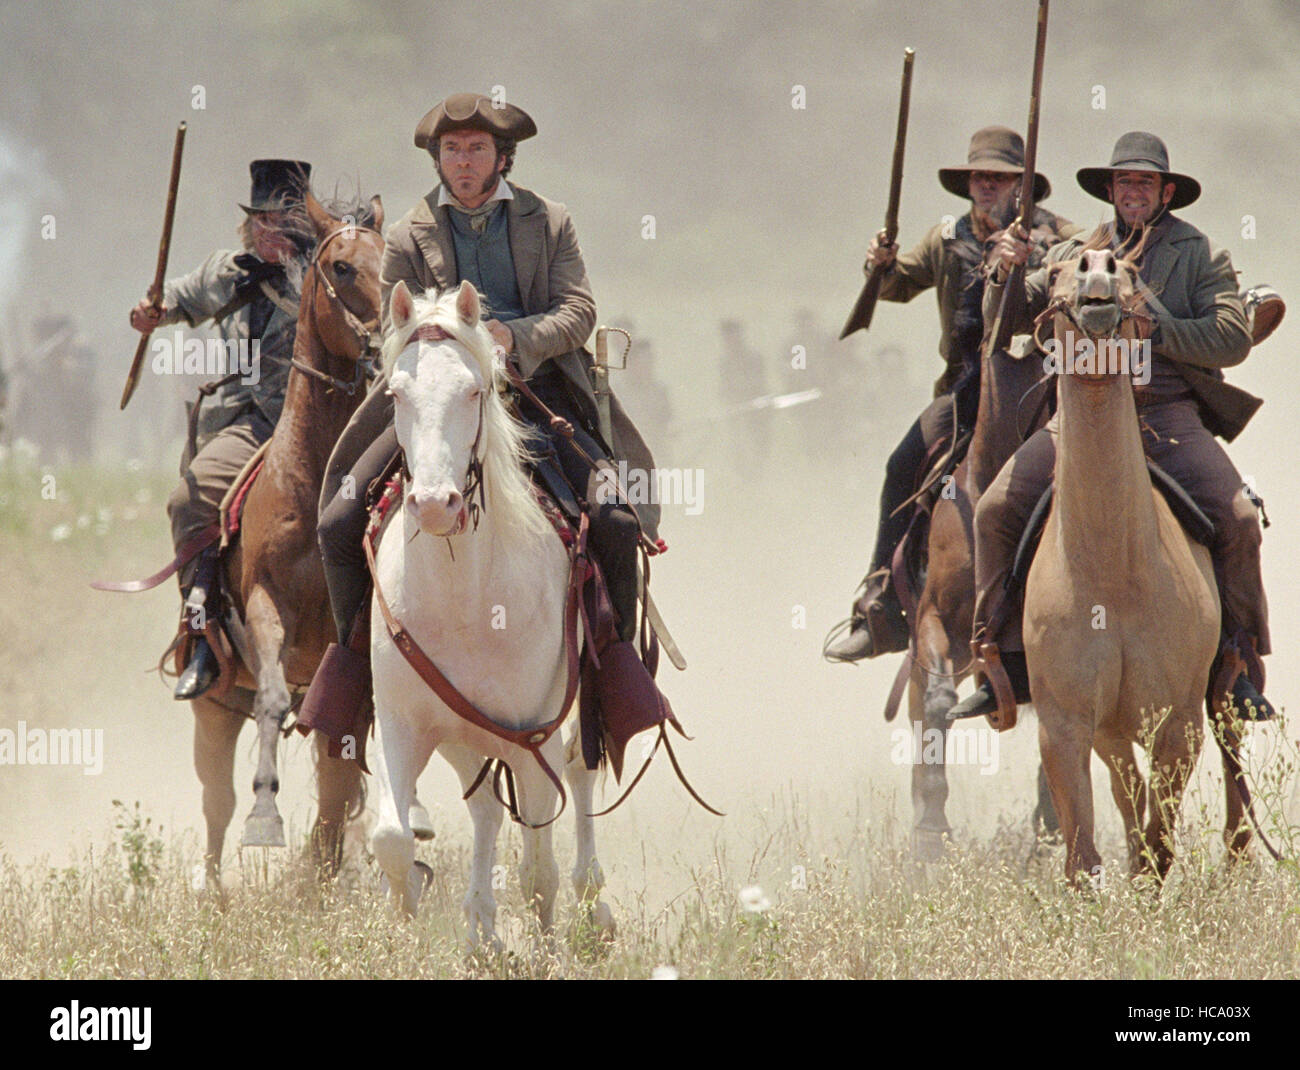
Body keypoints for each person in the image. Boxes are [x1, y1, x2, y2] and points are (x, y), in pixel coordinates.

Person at [313, 93, 657, 696]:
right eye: (452, 150)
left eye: (476, 149)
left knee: (613, 517)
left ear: (503, 157)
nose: (464, 161)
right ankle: (356, 682)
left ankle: (617, 679)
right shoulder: (406, 233)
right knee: (340, 517)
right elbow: (395, 328)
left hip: (543, 395)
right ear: (438, 159)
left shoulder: (549, 219)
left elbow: (579, 311)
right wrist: (452, 345)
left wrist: (512, 336)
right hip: (437, 400)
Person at [950, 131, 1274, 720]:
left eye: (1145, 182)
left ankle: (1235, 662)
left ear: (1166, 191)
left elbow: (1232, 338)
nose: (1133, 191)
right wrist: (1003, 274)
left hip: (1165, 416)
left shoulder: (1199, 255)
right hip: (1080, 419)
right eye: (1124, 180)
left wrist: (1155, 326)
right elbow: (1006, 326)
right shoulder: (1074, 251)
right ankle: (1004, 660)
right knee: (994, 511)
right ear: (1110, 188)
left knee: (1241, 519)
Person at [825, 127, 1080, 662]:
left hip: (1037, 388)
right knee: (902, 466)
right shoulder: (945, 235)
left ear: (1022, 185)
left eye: (998, 176)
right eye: (978, 176)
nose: (985, 185)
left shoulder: (1058, 237)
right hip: (966, 389)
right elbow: (897, 285)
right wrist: (879, 263)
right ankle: (880, 609)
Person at [129, 159, 314, 699]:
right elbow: (176, 300)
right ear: (249, 223)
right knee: (189, 500)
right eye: (263, 220)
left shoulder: (326, 273)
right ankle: (204, 632)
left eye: (285, 220)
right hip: (243, 423)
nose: (272, 231)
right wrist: (151, 312)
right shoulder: (224, 271)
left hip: (310, 421)